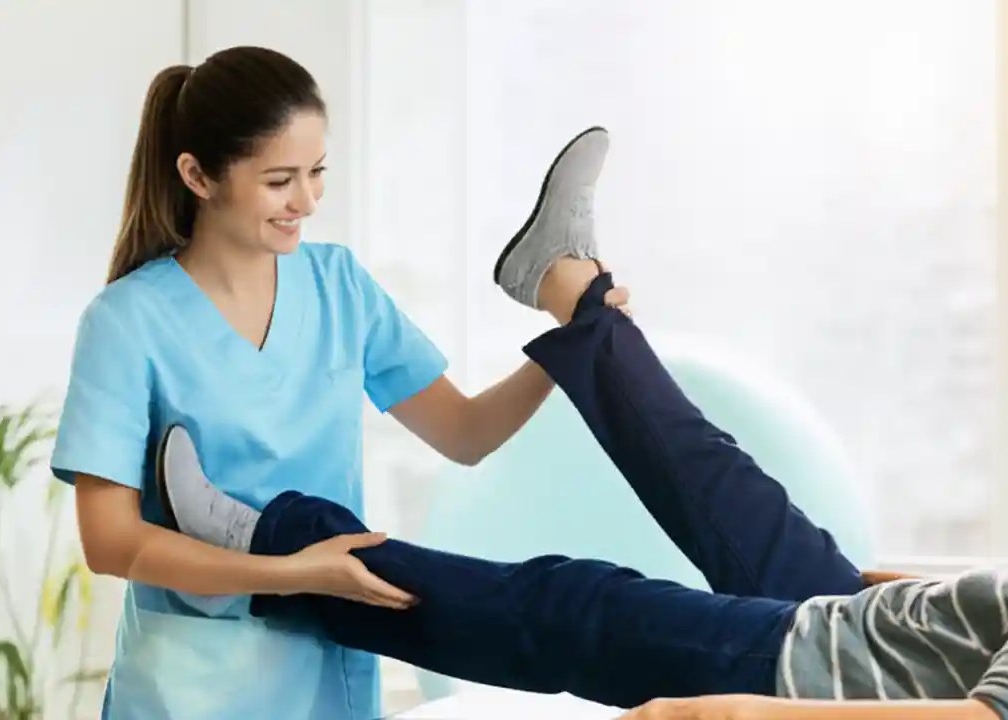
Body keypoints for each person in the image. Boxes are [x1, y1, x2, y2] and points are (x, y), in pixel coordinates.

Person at [156, 126, 1008, 720]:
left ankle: (265, 540)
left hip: (794, 667)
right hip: (841, 621)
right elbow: (977, 627)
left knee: (565, 603)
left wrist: (733, 714)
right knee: (713, 475)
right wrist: (861, 576)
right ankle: (567, 284)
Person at [49, 46, 614, 720]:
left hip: (326, 663)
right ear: (198, 175)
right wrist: (293, 573)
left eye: (317, 173)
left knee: (541, 602)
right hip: (192, 687)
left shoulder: (338, 286)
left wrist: (569, 343)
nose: (308, 201)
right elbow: (112, 542)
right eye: (279, 179)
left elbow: (465, 433)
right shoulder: (127, 322)